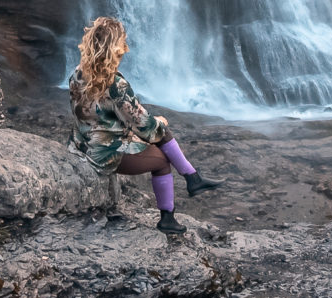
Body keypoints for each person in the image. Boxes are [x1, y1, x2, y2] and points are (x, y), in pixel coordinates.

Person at [68, 16, 222, 235]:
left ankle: (192, 179)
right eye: (122, 44)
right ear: (115, 49)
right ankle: (172, 210)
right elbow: (143, 125)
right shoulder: (115, 84)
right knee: (163, 157)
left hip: (82, 144)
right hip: (104, 153)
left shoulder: (77, 74)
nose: (125, 49)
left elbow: (96, 115)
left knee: (158, 133)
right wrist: (159, 123)